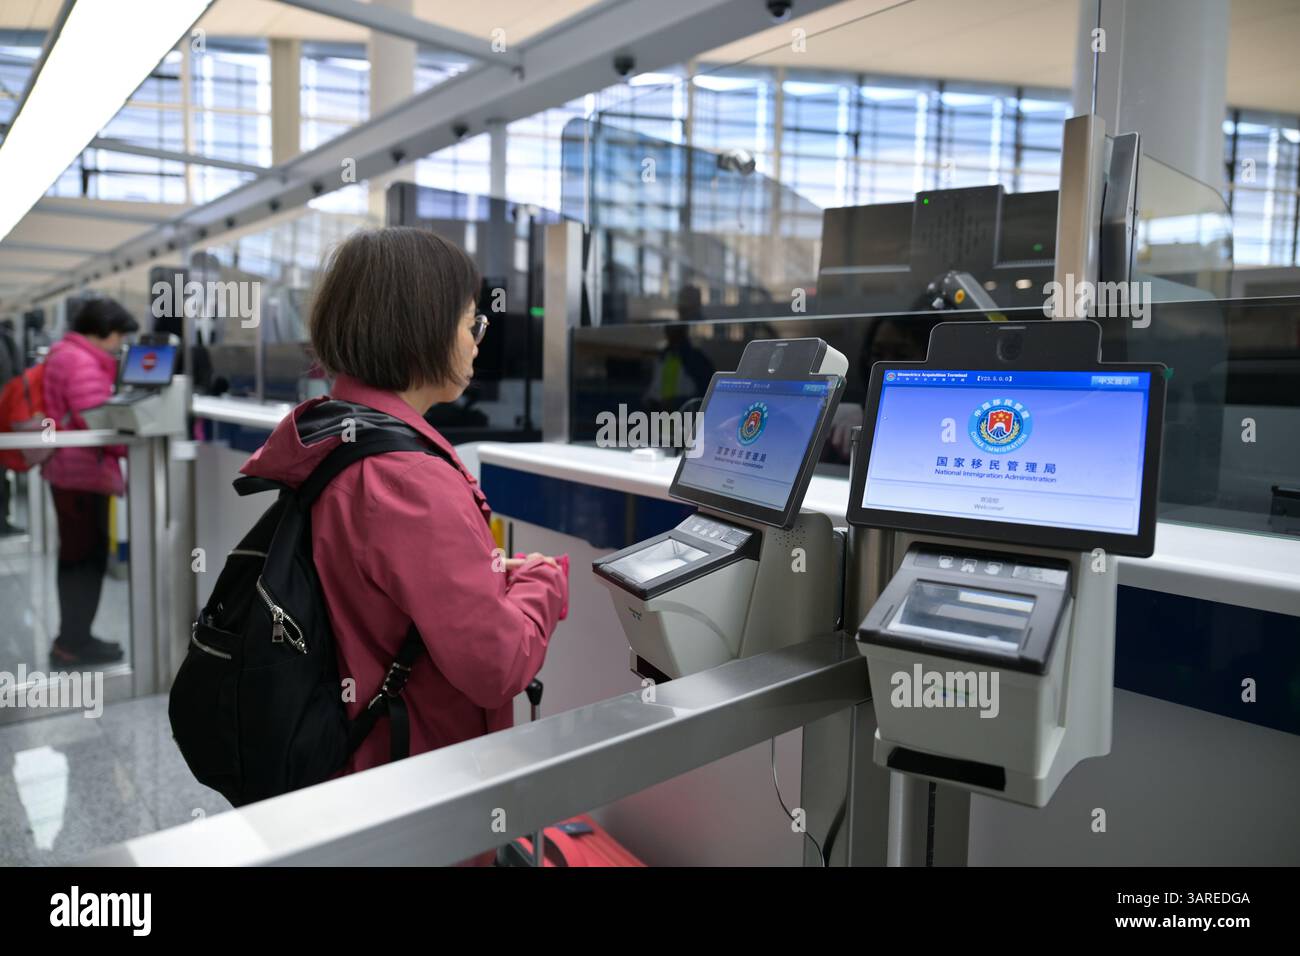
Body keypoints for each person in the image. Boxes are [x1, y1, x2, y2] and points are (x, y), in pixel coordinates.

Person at [240, 227, 567, 779]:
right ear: (425, 329)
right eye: (471, 322)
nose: (476, 339)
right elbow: (497, 665)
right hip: (414, 772)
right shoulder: (409, 478)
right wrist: (543, 581)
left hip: (347, 752)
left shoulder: (335, 435)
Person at [43, 298, 139, 665]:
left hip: (69, 473)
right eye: (117, 337)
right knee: (85, 560)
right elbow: (96, 421)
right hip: (82, 476)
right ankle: (73, 643)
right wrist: (131, 444)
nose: (118, 346)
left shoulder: (64, 353)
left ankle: (74, 637)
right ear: (101, 332)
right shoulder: (81, 361)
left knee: (75, 557)